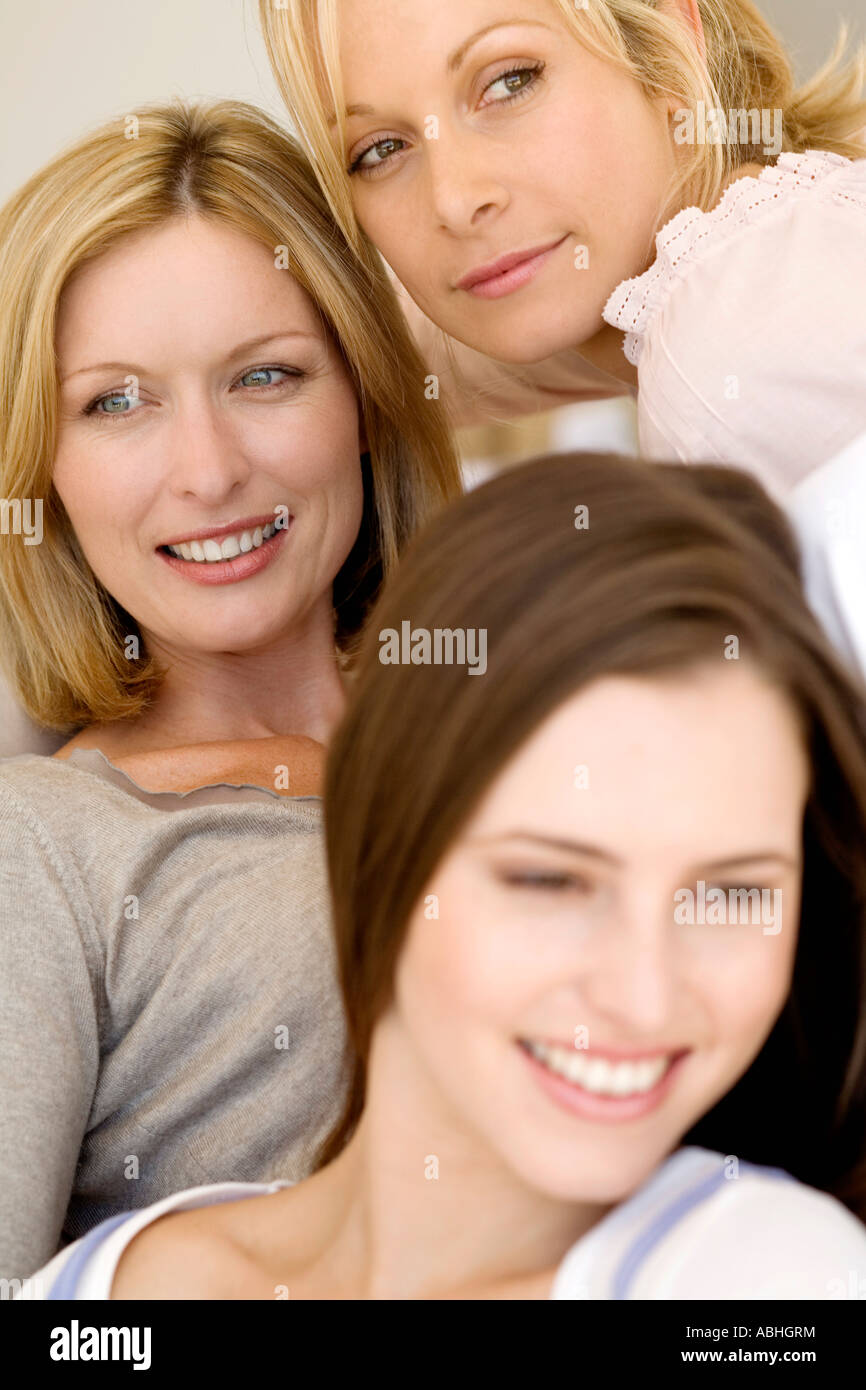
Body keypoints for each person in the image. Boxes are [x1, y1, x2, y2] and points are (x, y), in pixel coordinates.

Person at [21, 450, 866, 1300]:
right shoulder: (107, 1288)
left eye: (734, 894)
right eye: (552, 882)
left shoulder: (769, 1287)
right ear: (385, 842)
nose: (645, 996)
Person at [0, 97, 461, 1284]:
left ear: (360, 396)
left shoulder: (533, 719)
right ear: (40, 466)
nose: (206, 470)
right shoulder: (42, 848)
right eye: (115, 401)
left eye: (265, 376)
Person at [259, 0, 866, 493]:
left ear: (666, 39)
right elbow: (409, 353)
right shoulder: (761, 250)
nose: (453, 200)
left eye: (510, 82)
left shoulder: (726, 360)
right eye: (380, 150)